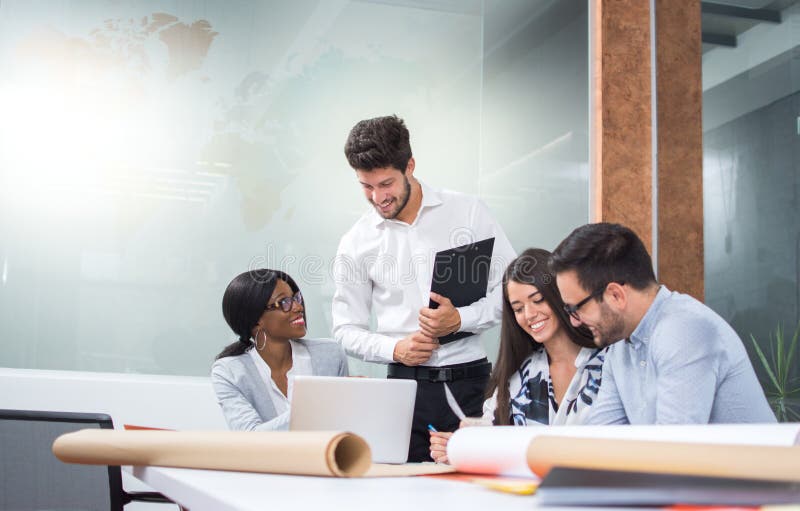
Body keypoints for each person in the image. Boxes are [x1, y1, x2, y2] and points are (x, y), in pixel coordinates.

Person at [332, 115, 517, 462]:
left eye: (386, 184)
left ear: (410, 166)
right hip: (403, 390)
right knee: (400, 492)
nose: (377, 197)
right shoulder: (356, 241)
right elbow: (345, 329)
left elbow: (513, 292)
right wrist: (394, 348)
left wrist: (460, 319)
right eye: (366, 186)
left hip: (472, 385)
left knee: (475, 491)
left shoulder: (468, 213)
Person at [550, 222, 776, 424]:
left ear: (616, 295)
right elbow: (602, 440)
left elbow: (672, 451)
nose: (573, 321)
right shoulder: (619, 346)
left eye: (576, 308)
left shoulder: (685, 330)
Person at [429, 248, 606, 464]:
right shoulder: (518, 376)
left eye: (538, 300)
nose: (529, 314)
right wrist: (460, 447)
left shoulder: (607, 363)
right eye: (518, 308)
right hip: (527, 492)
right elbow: (493, 440)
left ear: (559, 295)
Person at [211, 269, 349, 431]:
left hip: (325, 455)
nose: (298, 307)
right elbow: (249, 438)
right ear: (256, 320)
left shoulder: (330, 355)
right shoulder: (229, 371)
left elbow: (344, 426)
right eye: (284, 302)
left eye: (295, 298)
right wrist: (324, 403)